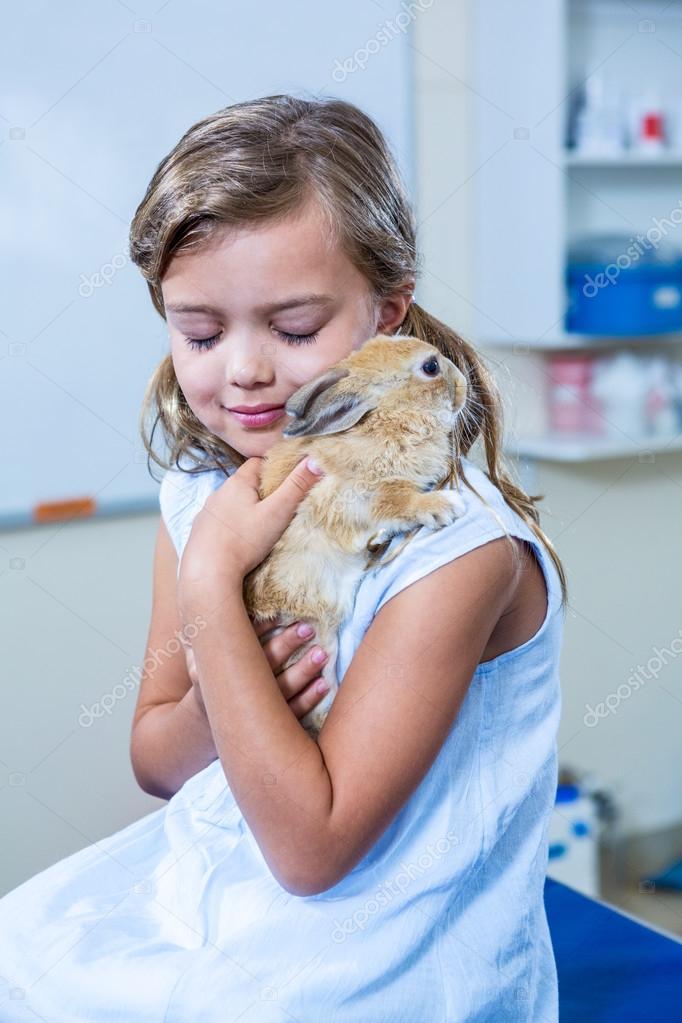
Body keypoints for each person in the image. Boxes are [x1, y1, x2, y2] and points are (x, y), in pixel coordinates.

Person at [0, 94, 567, 1021]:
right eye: (200, 332)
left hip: (385, 968)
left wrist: (214, 593)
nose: (244, 370)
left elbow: (312, 851)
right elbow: (155, 754)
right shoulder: (204, 493)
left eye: (294, 329)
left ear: (388, 311)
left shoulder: (457, 550)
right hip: (220, 897)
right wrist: (234, 673)